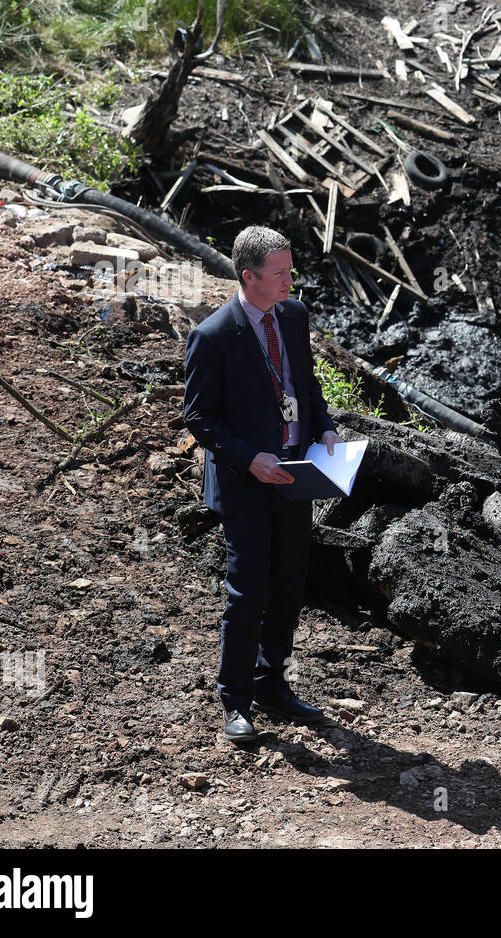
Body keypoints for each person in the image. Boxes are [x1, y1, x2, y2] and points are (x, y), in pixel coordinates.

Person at [183, 226, 341, 744]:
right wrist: (250, 459)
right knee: (248, 591)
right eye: (281, 273)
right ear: (249, 278)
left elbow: (305, 384)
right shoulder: (212, 335)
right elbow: (199, 418)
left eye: (290, 270)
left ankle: (273, 684)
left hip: (295, 473)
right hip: (246, 482)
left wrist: (324, 425)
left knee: (290, 583)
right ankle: (236, 701)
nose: (290, 281)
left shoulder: (293, 316)